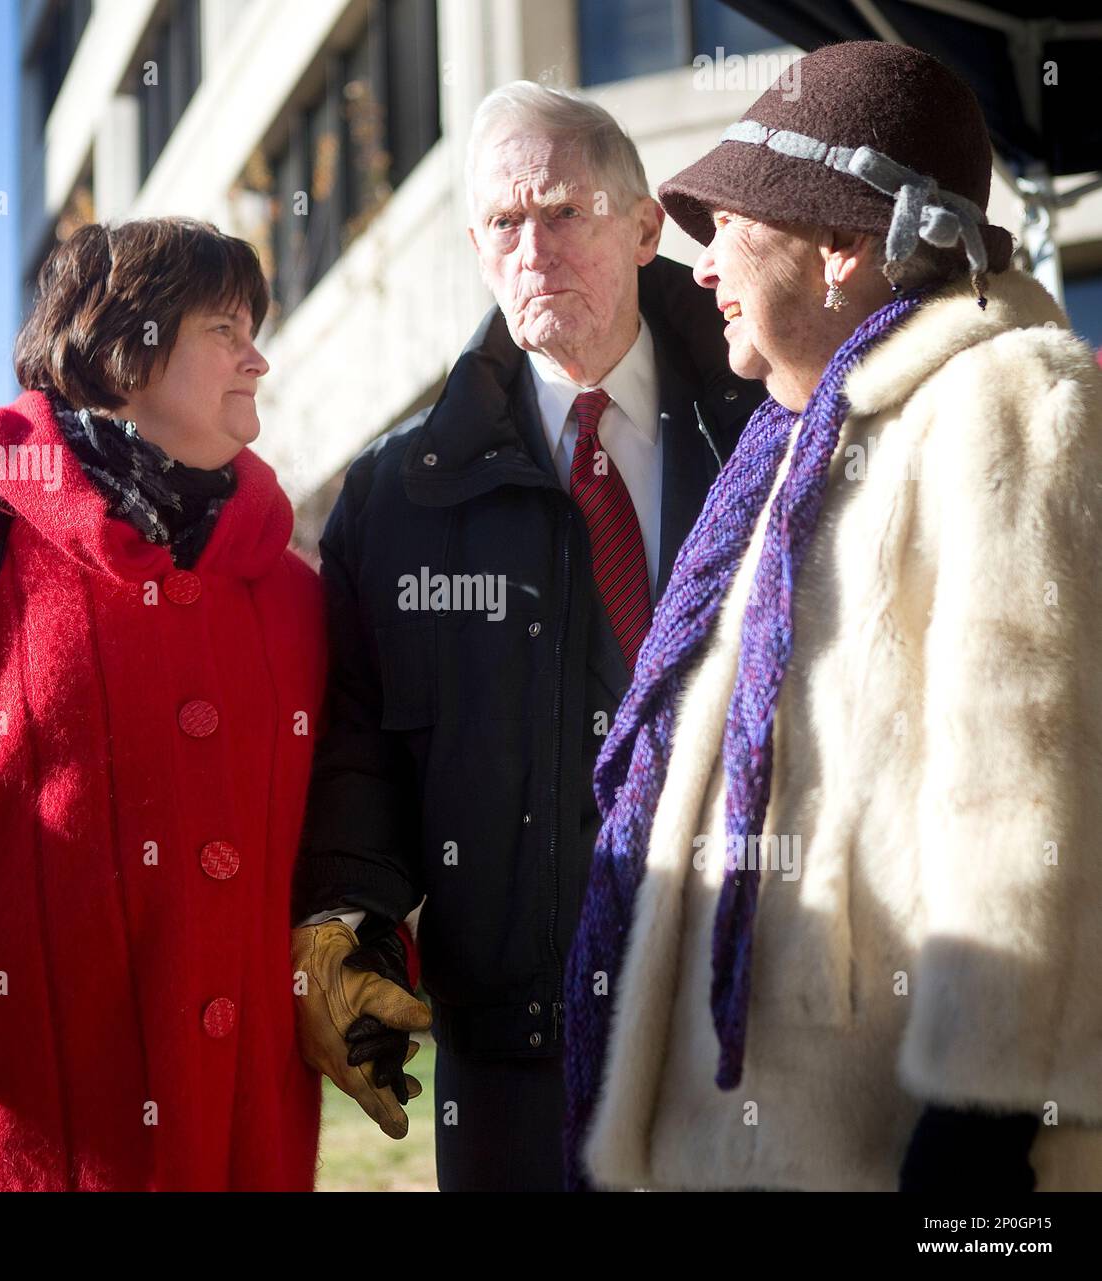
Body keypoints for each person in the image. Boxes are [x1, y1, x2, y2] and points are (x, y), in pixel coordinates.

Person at [566, 41, 1102, 1192]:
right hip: (751, 1132)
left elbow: (1037, 782)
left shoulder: (1000, 402)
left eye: (728, 231)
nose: (701, 269)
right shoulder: (800, 438)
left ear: (842, 248)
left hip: (882, 1145)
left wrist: (986, 1112)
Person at [291, 81, 763, 1191]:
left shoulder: (768, 430)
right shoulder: (398, 497)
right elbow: (361, 742)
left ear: (646, 227)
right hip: (513, 1049)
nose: (533, 249)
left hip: (752, 1017)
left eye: (563, 211)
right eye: (504, 224)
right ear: (474, 245)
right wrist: (346, 930)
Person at [0, 216, 328, 1191]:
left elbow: (332, 826)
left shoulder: (294, 591)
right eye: (225, 328)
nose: (258, 357)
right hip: (11, 1134)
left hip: (245, 1132)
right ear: (124, 351)